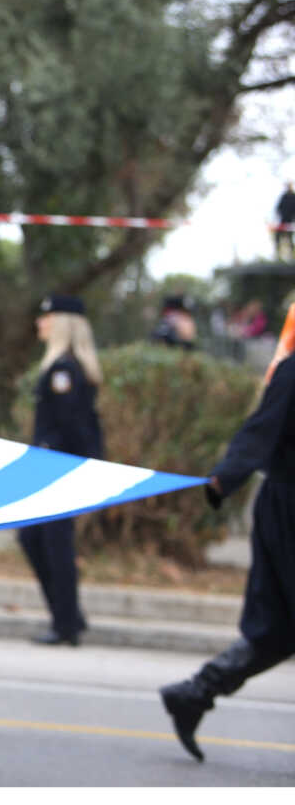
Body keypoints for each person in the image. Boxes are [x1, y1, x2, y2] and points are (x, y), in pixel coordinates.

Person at [159, 310, 295, 763]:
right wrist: (225, 477)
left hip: (283, 508)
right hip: (290, 509)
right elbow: (261, 429)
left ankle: (194, 693)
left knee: (277, 629)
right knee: (276, 624)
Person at [17, 294, 103, 647]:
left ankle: (66, 623)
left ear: (63, 324)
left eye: (47, 317)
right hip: (55, 468)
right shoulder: (64, 367)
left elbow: (71, 427)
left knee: (55, 546)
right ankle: (69, 618)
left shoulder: (64, 370)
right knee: (37, 540)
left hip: (58, 470)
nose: (40, 323)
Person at [274, 182, 295, 261]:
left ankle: (292, 256)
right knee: (278, 237)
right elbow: (278, 208)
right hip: (283, 221)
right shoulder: (284, 197)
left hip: (291, 222)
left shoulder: (293, 196)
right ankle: (278, 255)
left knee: (290, 239)